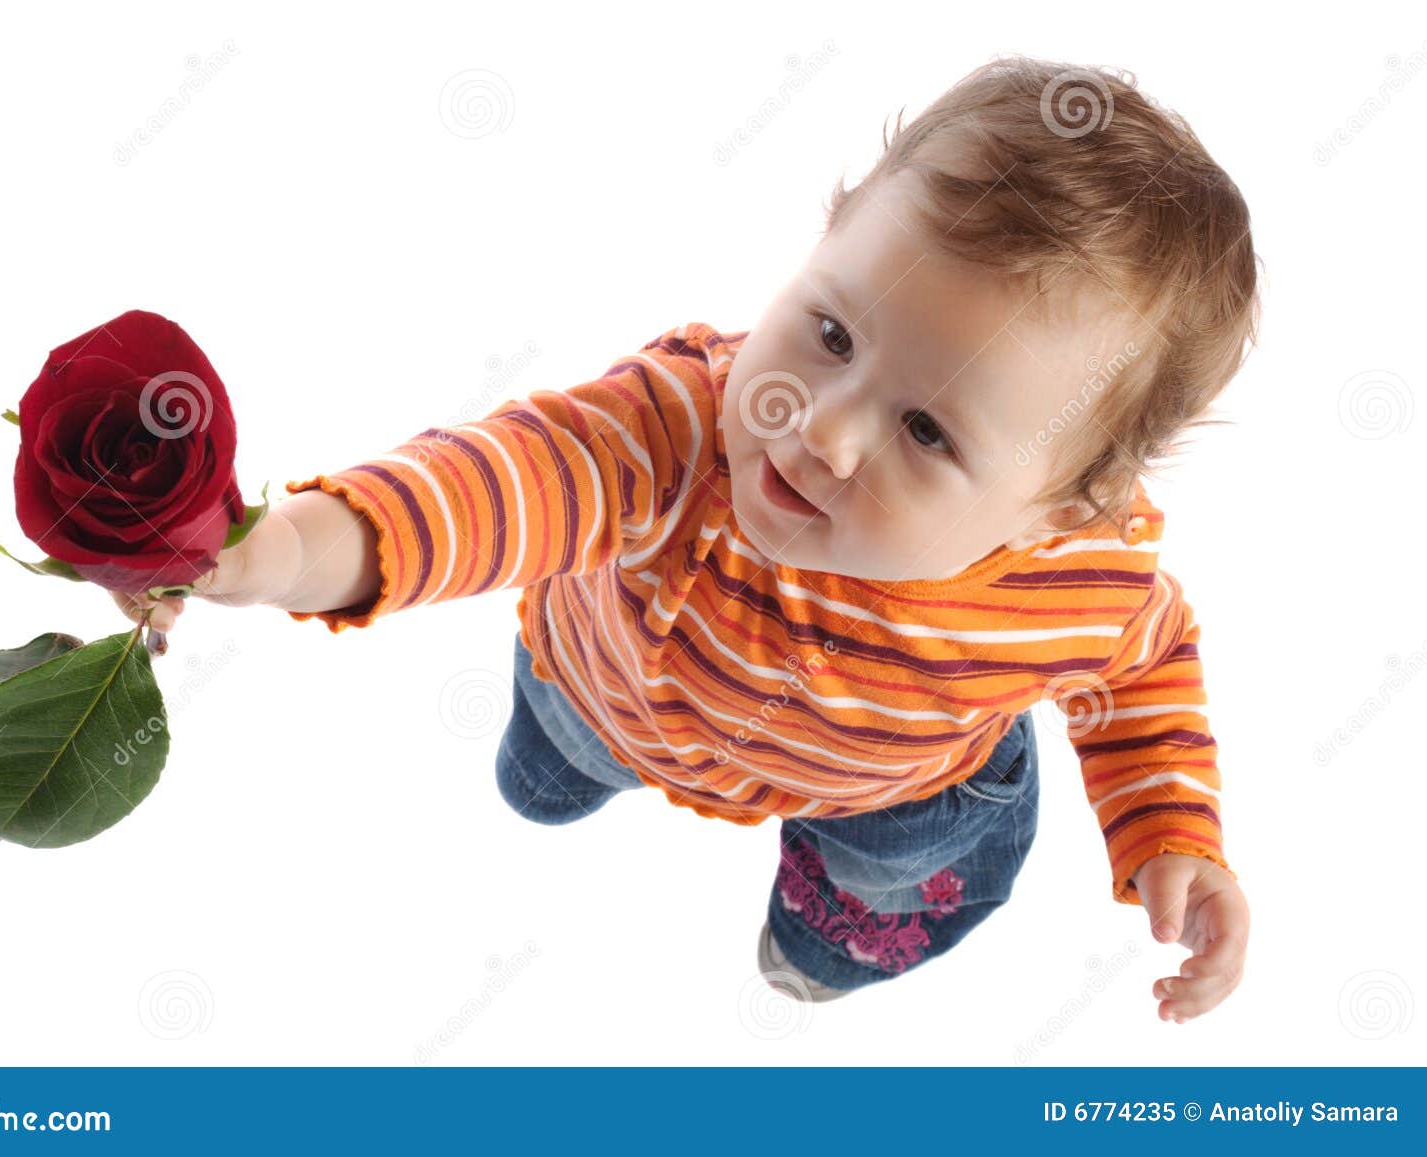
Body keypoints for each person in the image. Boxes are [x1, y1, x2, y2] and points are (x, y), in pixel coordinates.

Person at [117, 55, 1256, 1018]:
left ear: (1062, 508)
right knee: (550, 761)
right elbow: (493, 481)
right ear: (826, 240)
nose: (821, 427)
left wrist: (1170, 829)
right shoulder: (675, 432)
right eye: (828, 330)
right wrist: (280, 549)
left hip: (891, 782)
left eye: (924, 428)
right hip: (607, 684)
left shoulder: (1078, 582)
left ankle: (829, 926)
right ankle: (571, 755)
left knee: (884, 887)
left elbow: (1144, 667)